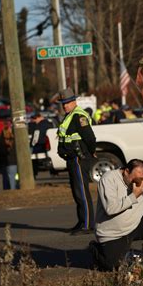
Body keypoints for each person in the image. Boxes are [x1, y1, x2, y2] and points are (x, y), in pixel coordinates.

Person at [91, 159, 143, 271]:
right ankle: (97, 250)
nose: (138, 182)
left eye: (142, 178)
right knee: (114, 266)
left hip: (133, 225)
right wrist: (134, 196)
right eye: (135, 178)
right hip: (112, 234)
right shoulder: (109, 179)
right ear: (126, 171)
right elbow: (110, 208)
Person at [56, 88, 96, 235]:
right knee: (76, 192)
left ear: (74, 101)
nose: (64, 106)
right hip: (72, 159)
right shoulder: (69, 116)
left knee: (82, 192)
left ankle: (87, 225)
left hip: (80, 158)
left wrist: (90, 152)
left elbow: (90, 138)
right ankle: (81, 222)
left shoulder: (79, 116)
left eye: (67, 102)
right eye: (63, 103)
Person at [29, 112, 54, 177]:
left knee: (32, 159)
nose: (34, 120)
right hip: (49, 146)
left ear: (40, 117)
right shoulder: (50, 124)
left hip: (39, 145)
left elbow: (36, 137)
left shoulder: (38, 126)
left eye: (35, 118)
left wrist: (31, 145)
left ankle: (33, 174)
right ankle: (53, 172)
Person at [0, 125, 18, 189]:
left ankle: (8, 191)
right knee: (14, 179)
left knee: (7, 179)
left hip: (5, 163)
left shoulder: (0, 141)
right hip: (14, 162)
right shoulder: (14, 140)